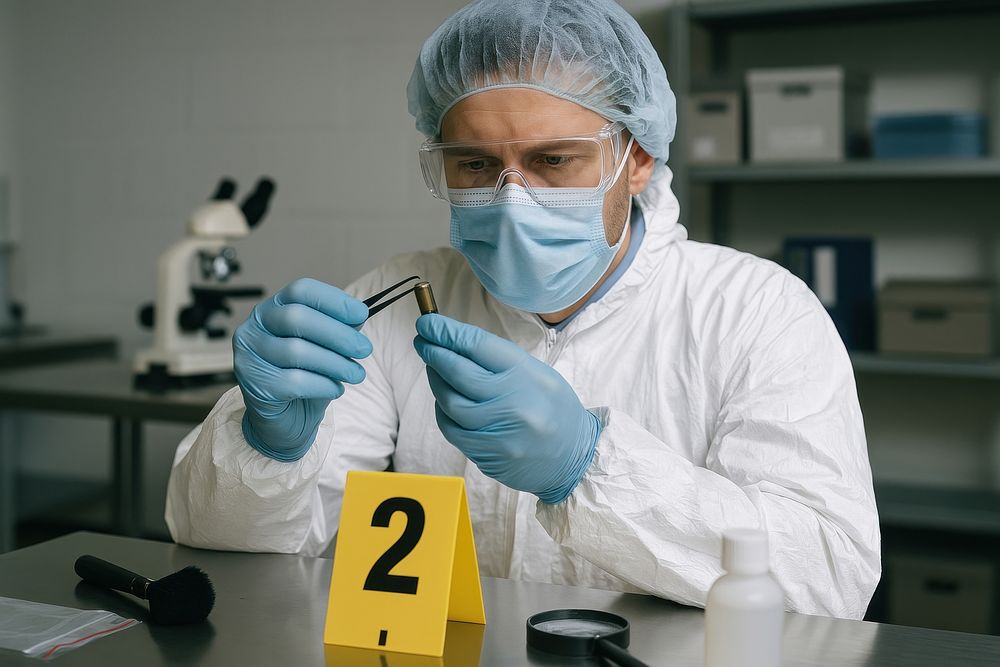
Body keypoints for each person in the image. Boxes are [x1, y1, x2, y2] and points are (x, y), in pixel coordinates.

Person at [166, 0, 880, 619]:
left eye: (554, 160)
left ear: (637, 158)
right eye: (475, 164)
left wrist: (587, 466)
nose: (511, 200)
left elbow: (828, 577)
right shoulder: (395, 299)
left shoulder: (754, 312)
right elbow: (228, 551)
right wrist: (265, 448)